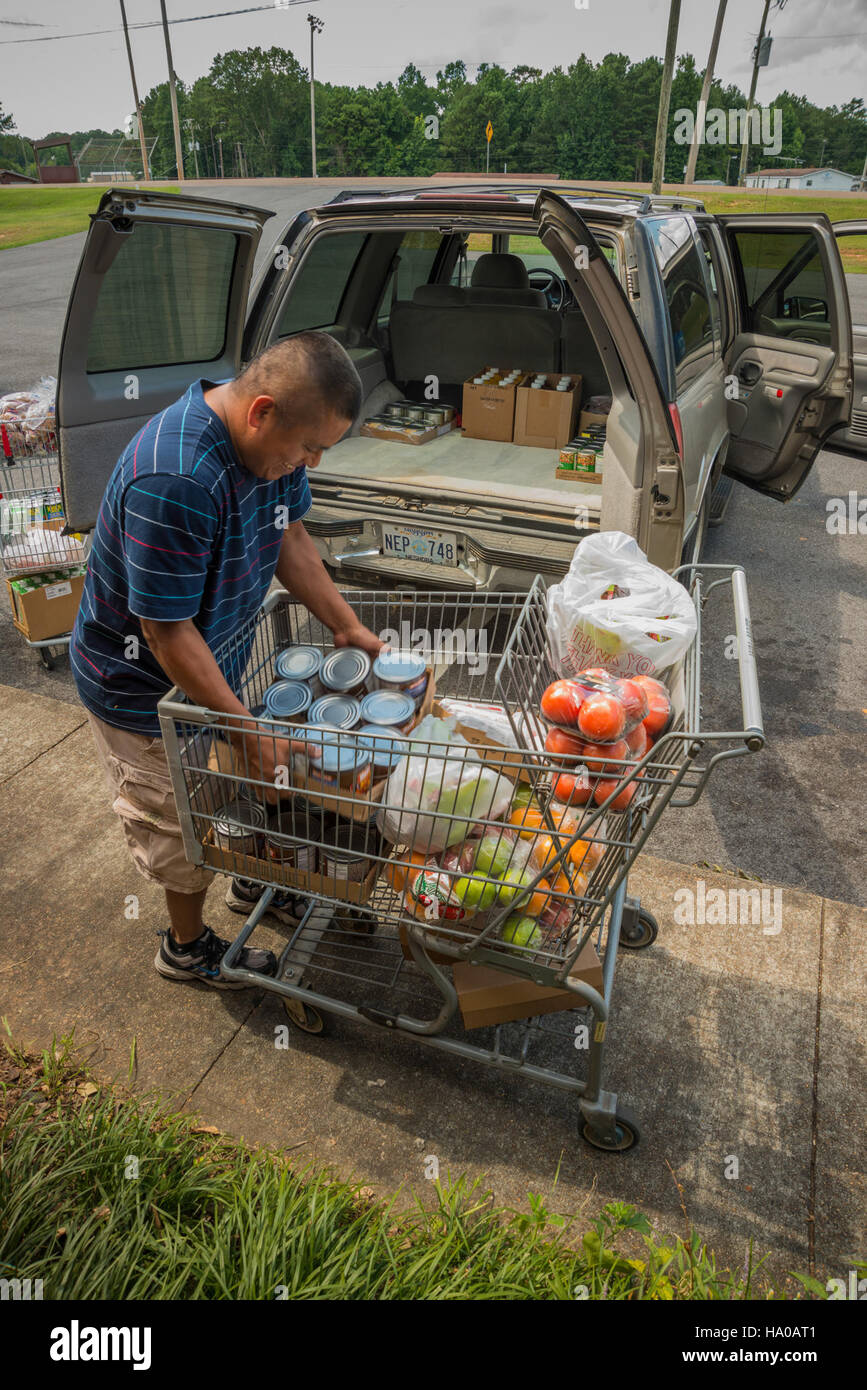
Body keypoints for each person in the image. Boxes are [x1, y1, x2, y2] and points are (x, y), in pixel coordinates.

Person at [71, 331, 383, 989]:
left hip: (212, 666)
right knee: (175, 820)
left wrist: (346, 624)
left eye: (321, 450)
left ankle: (257, 878)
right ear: (262, 411)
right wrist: (243, 724)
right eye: (307, 448)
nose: (311, 463)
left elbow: (288, 535)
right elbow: (164, 632)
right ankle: (185, 947)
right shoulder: (178, 478)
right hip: (141, 690)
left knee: (235, 788)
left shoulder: (271, 450)